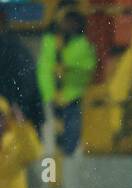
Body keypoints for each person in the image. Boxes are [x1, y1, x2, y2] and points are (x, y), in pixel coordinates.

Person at [37, 8, 96, 163]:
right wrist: (49, 94)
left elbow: (87, 69)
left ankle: (67, 168)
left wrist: (67, 69)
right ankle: (51, 174)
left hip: (72, 98)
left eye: (72, 21)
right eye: (66, 21)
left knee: (72, 135)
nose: (69, 25)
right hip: (51, 99)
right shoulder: (50, 41)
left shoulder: (83, 44)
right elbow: (44, 69)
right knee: (50, 138)